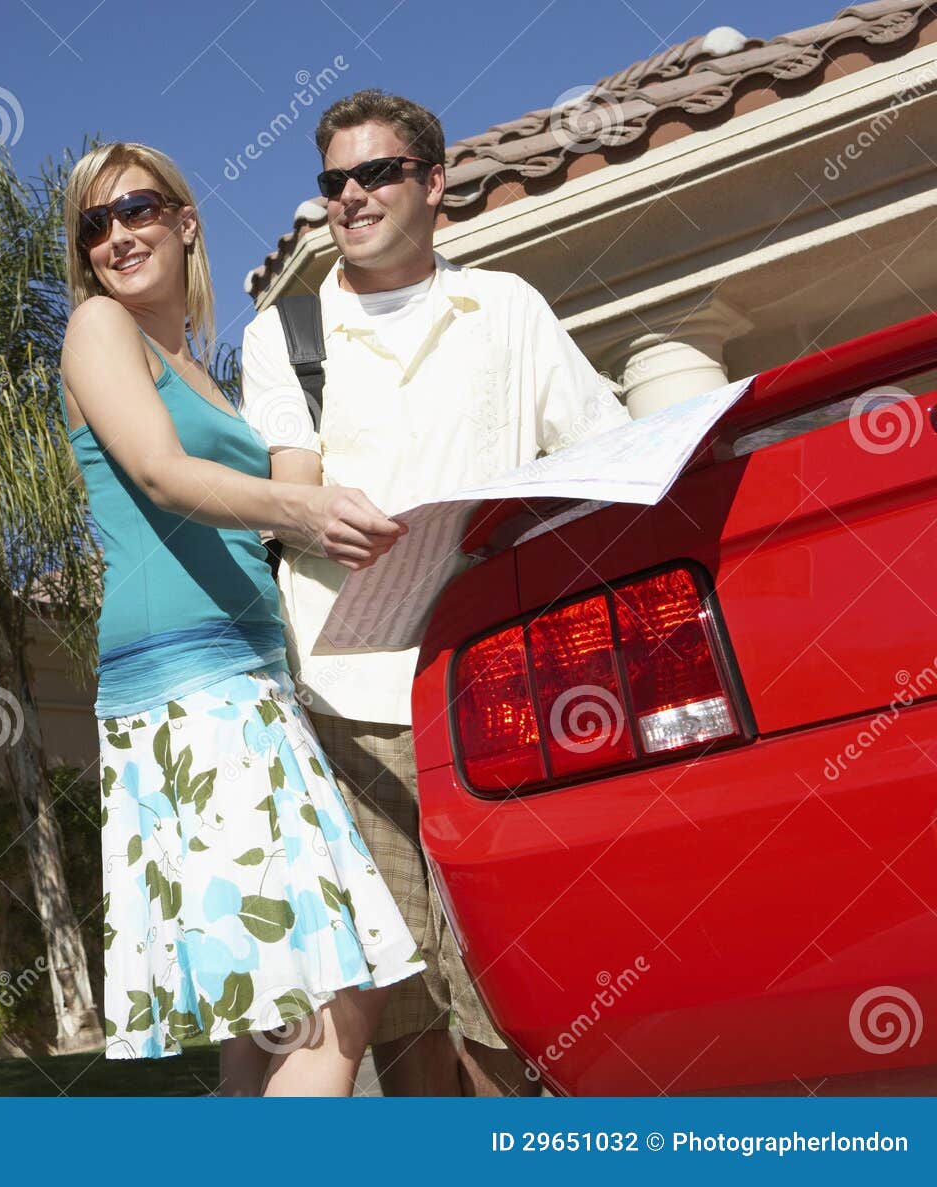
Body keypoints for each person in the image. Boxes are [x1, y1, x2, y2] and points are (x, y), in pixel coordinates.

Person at [240, 89, 632, 1096]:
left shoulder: (505, 308)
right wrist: (310, 511)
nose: (351, 196)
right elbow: (287, 487)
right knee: (392, 992)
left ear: (431, 181)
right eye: (334, 181)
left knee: (510, 977)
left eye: (375, 173)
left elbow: (601, 458)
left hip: (490, 686)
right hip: (345, 701)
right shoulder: (283, 333)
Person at [57, 140, 427, 1096]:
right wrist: (305, 509)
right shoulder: (100, 328)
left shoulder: (204, 369)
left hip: (251, 683)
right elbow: (160, 473)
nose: (116, 235)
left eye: (136, 209)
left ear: (185, 221)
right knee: (332, 999)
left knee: (261, 1034)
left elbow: (263, 487)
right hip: (191, 693)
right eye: (94, 224)